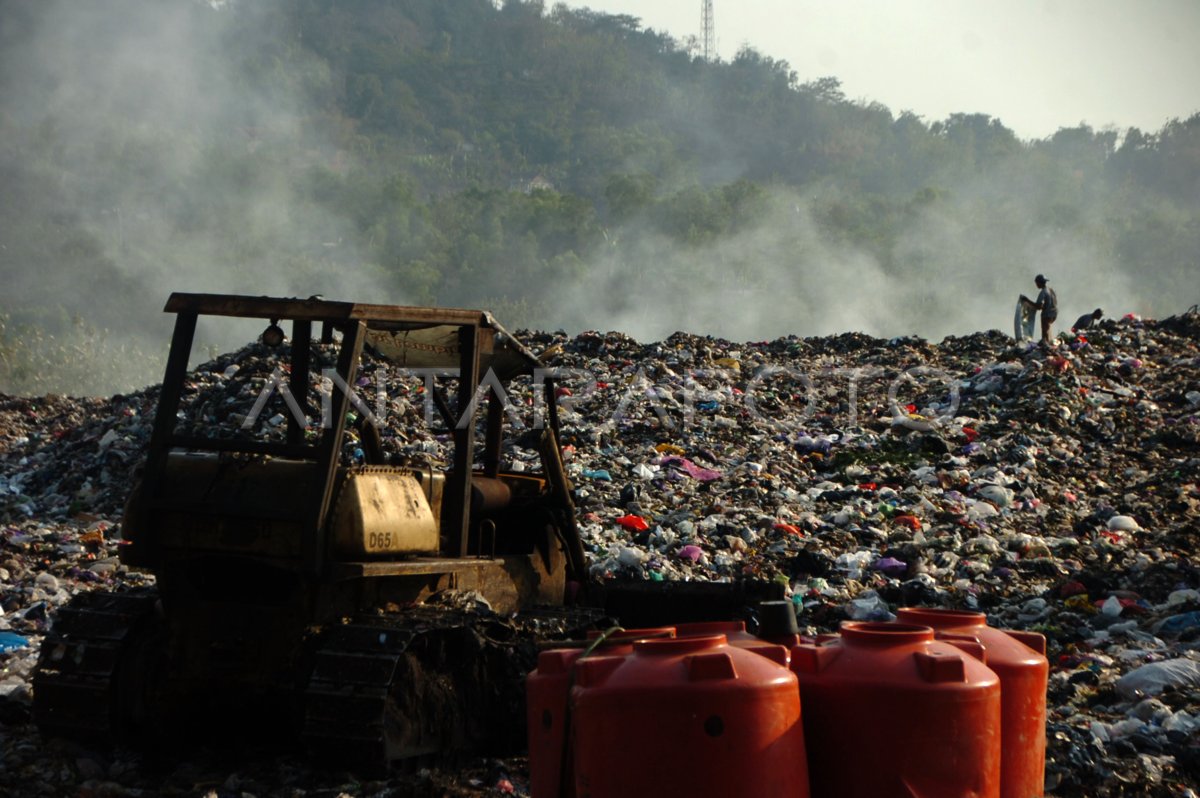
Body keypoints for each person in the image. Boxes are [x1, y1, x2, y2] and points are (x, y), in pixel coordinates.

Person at [1020, 275, 1058, 346]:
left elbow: (1039, 306)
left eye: (1037, 283)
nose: (1036, 285)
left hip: (1047, 314)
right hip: (1054, 313)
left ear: (1040, 283)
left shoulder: (1043, 292)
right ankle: (1049, 343)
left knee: (1045, 332)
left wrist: (1027, 300)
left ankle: (1047, 346)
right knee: (1048, 329)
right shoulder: (1050, 290)